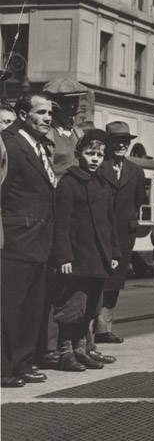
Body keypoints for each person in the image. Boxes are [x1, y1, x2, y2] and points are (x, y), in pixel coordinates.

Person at [52, 130, 120, 372]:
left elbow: (109, 223)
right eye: (90, 153)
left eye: (99, 155)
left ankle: (82, 348)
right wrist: (65, 256)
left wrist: (113, 253)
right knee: (72, 305)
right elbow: (61, 223)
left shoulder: (104, 184)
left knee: (91, 306)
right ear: (79, 153)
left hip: (98, 257)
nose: (94, 159)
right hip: (78, 257)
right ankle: (65, 352)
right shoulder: (69, 182)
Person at [1, 92, 57, 387]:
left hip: (39, 241)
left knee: (32, 308)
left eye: (49, 113)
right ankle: (5, 368)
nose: (47, 118)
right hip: (16, 240)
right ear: (24, 115)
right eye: (41, 112)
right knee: (11, 308)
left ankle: (22, 363)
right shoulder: (11, 144)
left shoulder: (39, 146)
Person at [93, 122, 146, 345]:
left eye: (126, 141)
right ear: (108, 143)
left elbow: (137, 201)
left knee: (114, 283)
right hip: (99, 232)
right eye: (117, 140)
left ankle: (104, 329)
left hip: (123, 235)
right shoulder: (97, 166)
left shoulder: (136, 171)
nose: (122, 145)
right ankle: (89, 332)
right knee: (97, 281)